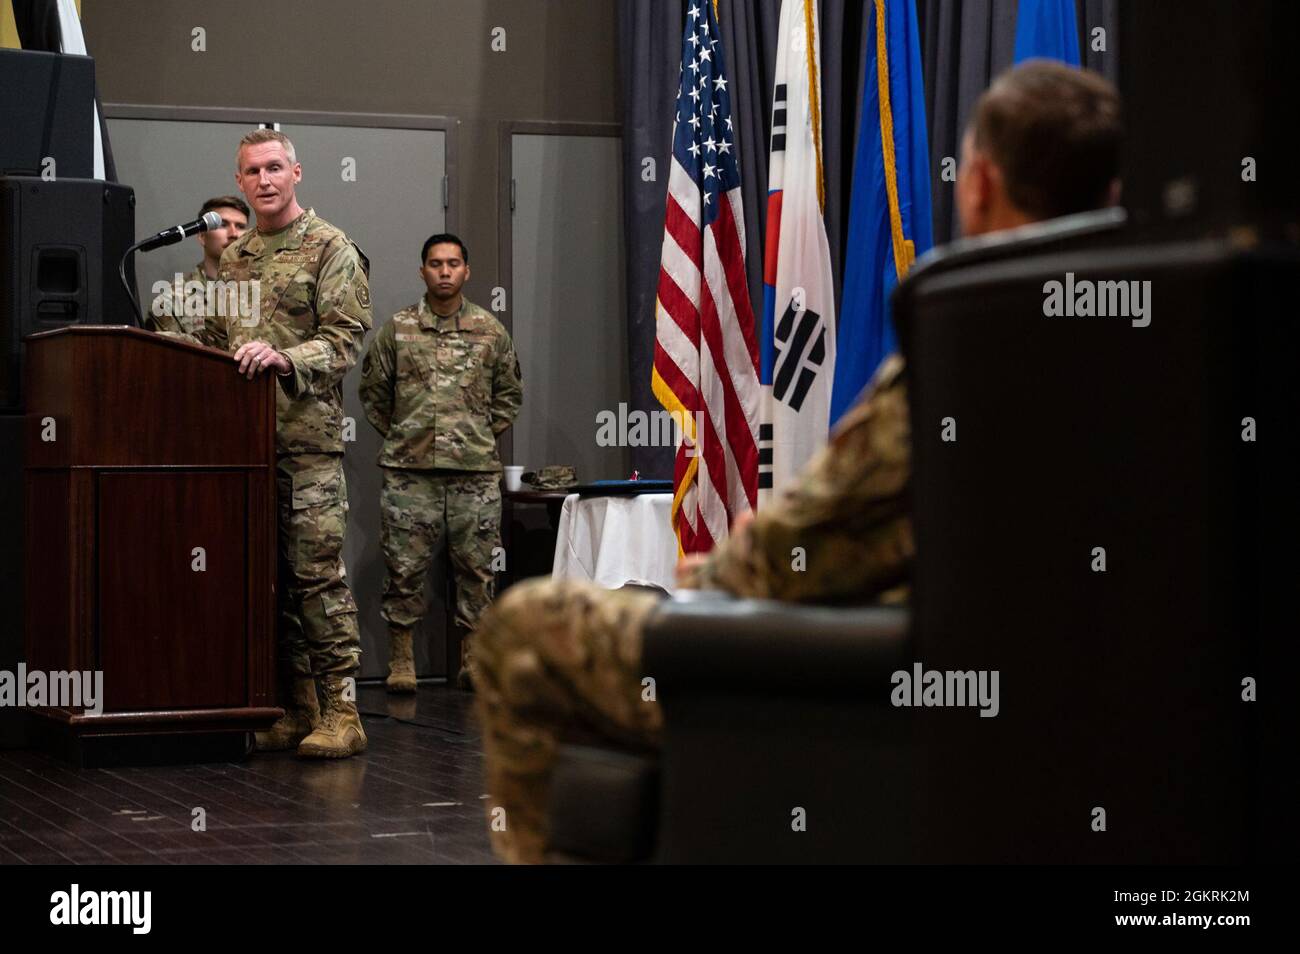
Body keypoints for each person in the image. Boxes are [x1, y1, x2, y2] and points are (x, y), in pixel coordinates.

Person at [472, 60, 1123, 862]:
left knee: (521, 631)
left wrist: (730, 567)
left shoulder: (979, 337)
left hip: (852, 678)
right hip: (1066, 701)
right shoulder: (1149, 331)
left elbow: (786, 558)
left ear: (980, 182)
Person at [175, 128, 373, 759]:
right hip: (245, 449)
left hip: (307, 445)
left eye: (273, 168)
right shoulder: (233, 258)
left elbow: (345, 340)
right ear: (239, 183)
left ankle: (344, 711)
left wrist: (284, 358)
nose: (263, 180)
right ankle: (294, 707)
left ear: (297, 173)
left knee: (316, 579)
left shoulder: (330, 247)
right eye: (252, 172)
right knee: (269, 581)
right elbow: (212, 341)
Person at [358, 233, 523, 693]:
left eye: (453, 264)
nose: (445, 271)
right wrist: (405, 436)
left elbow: (509, 394)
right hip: (410, 474)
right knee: (403, 567)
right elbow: (374, 394)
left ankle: (473, 658)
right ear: (422, 271)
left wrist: (476, 438)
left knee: (476, 568)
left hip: (473, 473)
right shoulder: (398, 329)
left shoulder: (490, 331)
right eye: (435, 263)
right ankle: (402, 660)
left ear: (466, 271)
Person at [147, 195, 249, 334]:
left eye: (241, 226)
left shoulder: (264, 291)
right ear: (202, 236)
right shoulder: (172, 301)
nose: (234, 234)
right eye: (223, 225)